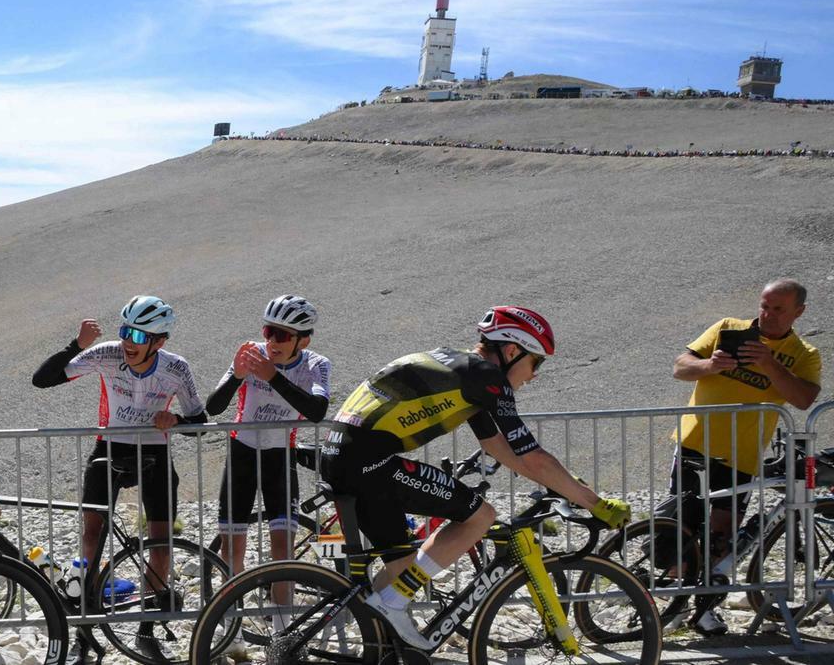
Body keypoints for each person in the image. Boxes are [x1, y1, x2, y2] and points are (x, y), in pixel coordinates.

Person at [319, 306, 631, 649]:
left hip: (343, 456)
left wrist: (567, 487)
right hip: (368, 462)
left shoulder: (464, 371)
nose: (535, 374)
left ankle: (378, 644)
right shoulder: (486, 378)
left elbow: (500, 449)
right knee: (481, 516)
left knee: (402, 567)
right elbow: (532, 457)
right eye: (536, 362)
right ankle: (390, 606)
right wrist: (595, 503)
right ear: (512, 351)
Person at [32, 295, 206, 663]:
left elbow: (200, 423)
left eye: (139, 336)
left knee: (160, 543)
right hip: (108, 448)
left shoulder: (176, 368)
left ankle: (145, 631)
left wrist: (176, 421)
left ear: (160, 342)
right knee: (92, 536)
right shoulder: (108, 353)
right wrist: (77, 345)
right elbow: (42, 380)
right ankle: (84, 633)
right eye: (125, 330)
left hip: (154, 453)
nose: (128, 342)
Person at [668, 278, 821, 635]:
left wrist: (770, 365)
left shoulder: (805, 354)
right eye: (764, 306)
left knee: (721, 535)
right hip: (693, 444)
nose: (767, 315)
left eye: (778, 309)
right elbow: (679, 367)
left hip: (741, 456)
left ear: (799, 312)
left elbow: (803, 398)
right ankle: (671, 602)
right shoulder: (727, 329)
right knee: (680, 530)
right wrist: (708, 367)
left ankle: (703, 610)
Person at [206, 295, 330, 659]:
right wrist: (238, 375)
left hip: (280, 456)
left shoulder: (316, 364)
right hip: (242, 453)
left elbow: (318, 410)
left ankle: (283, 636)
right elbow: (214, 406)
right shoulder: (251, 353)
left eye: (281, 335)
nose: (271, 342)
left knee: (282, 550)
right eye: (268, 331)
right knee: (233, 550)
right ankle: (231, 631)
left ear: (302, 340)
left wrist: (271, 377)